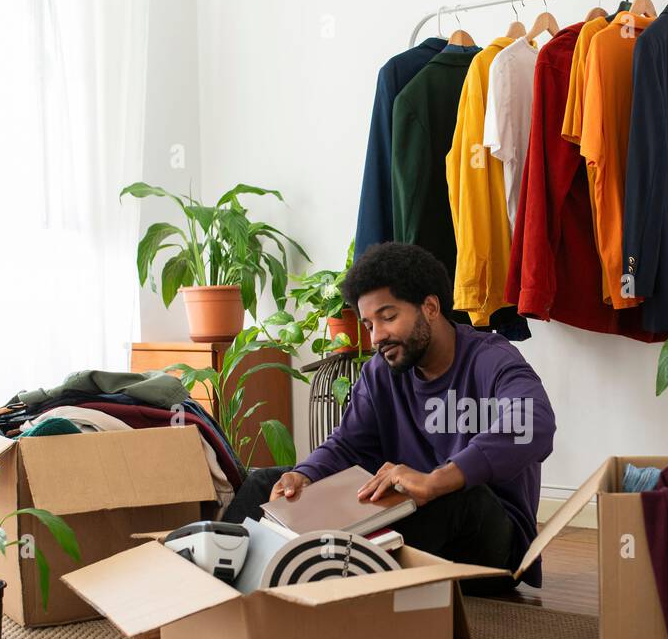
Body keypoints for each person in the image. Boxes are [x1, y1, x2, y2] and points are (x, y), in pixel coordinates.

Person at [223, 242, 556, 592]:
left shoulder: (491, 360)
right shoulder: (381, 372)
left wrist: (437, 480)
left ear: (429, 307)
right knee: (268, 483)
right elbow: (347, 444)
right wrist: (305, 475)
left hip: (489, 544)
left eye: (388, 316)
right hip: (405, 520)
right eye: (368, 324)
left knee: (459, 498)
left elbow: (534, 422)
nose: (377, 336)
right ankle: (221, 586)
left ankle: (330, 588)